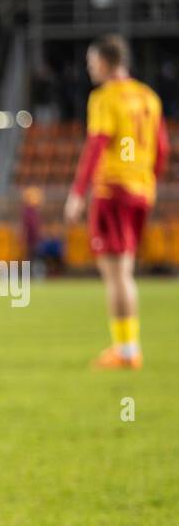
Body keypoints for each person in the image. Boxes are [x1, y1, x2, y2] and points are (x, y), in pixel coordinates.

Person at [64, 35, 168, 370]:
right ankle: (127, 346)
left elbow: (97, 144)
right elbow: (162, 148)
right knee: (124, 270)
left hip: (113, 189)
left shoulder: (105, 97)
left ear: (107, 62)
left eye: (92, 61)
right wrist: (147, 180)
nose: (89, 67)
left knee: (116, 272)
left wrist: (78, 193)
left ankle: (126, 350)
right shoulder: (148, 96)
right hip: (140, 189)